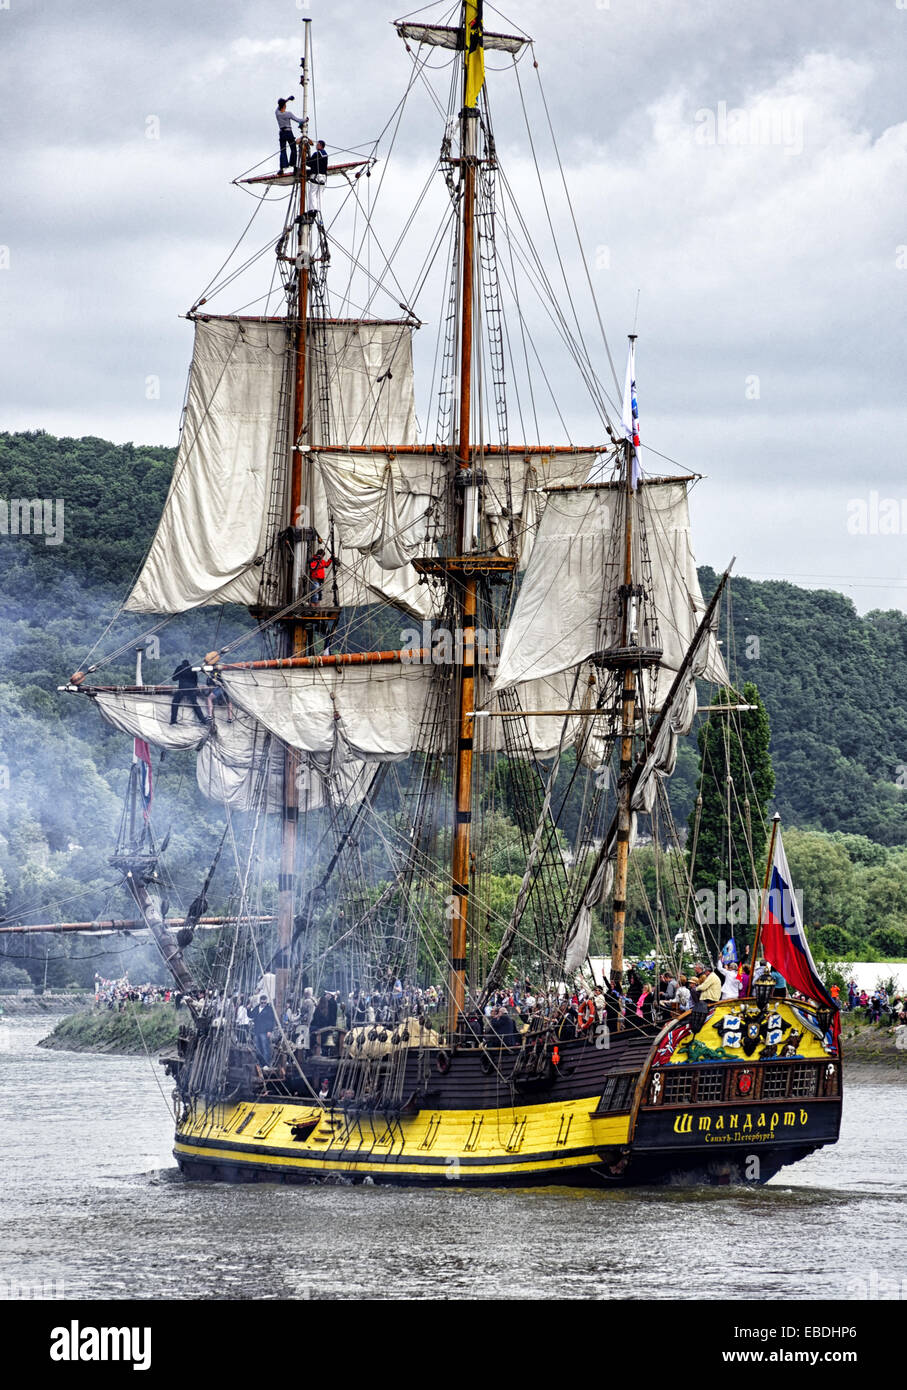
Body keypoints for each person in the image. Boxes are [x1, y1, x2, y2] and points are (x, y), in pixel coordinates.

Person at [169, 660, 208, 727]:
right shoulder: (192, 668)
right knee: (195, 704)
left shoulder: (180, 668)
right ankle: (203, 720)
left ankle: (173, 720)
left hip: (182, 689)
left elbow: (174, 678)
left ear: (182, 664)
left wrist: (180, 676)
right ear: (189, 663)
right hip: (191, 689)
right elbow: (196, 681)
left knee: (175, 703)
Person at [275, 97, 304, 172]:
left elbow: (279, 106)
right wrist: (306, 120)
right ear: (285, 105)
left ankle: (282, 168)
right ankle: (293, 165)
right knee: (293, 149)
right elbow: (298, 120)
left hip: (282, 133)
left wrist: (287, 99)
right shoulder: (288, 114)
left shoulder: (277, 113)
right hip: (288, 132)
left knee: (283, 150)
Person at [251, 993, 276, 1066]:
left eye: (265, 1003)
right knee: (258, 1049)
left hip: (265, 1032)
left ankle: (266, 1064)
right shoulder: (257, 1008)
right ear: (260, 1001)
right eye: (262, 1003)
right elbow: (251, 1015)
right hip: (257, 1031)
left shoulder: (269, 1009)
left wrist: (269, 1031)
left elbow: (271, 1021)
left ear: (266, 1002)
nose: (263, 1004)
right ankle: (261, 1064)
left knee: (265, 1048)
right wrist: (248, 1009)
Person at [306, 139, 328, 215]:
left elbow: (309, 163)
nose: (316, 145)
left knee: (312, 193)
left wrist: (306, 159)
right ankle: (319, 209)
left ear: (320, 145)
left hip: (316, 176)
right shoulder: (325, 154)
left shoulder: (317, 154)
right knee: (320, 194)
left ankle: (312, 209)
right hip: (323, 177)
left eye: (317, 144)